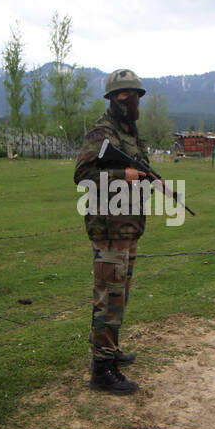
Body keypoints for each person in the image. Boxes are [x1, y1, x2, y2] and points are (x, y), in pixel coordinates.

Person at [74, 69, 157, 394]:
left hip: (128, 228)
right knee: (108, 298)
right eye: (124, 97)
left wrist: (150, 180)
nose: (130, 101)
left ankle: (110, 350)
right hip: (108, 229)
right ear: (113, 100)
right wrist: (124, 174)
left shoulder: (130, 134)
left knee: (119, 296)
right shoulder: (101, 133)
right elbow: (82, 176)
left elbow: (138, 173)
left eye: (134, 96)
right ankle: (102, 370)